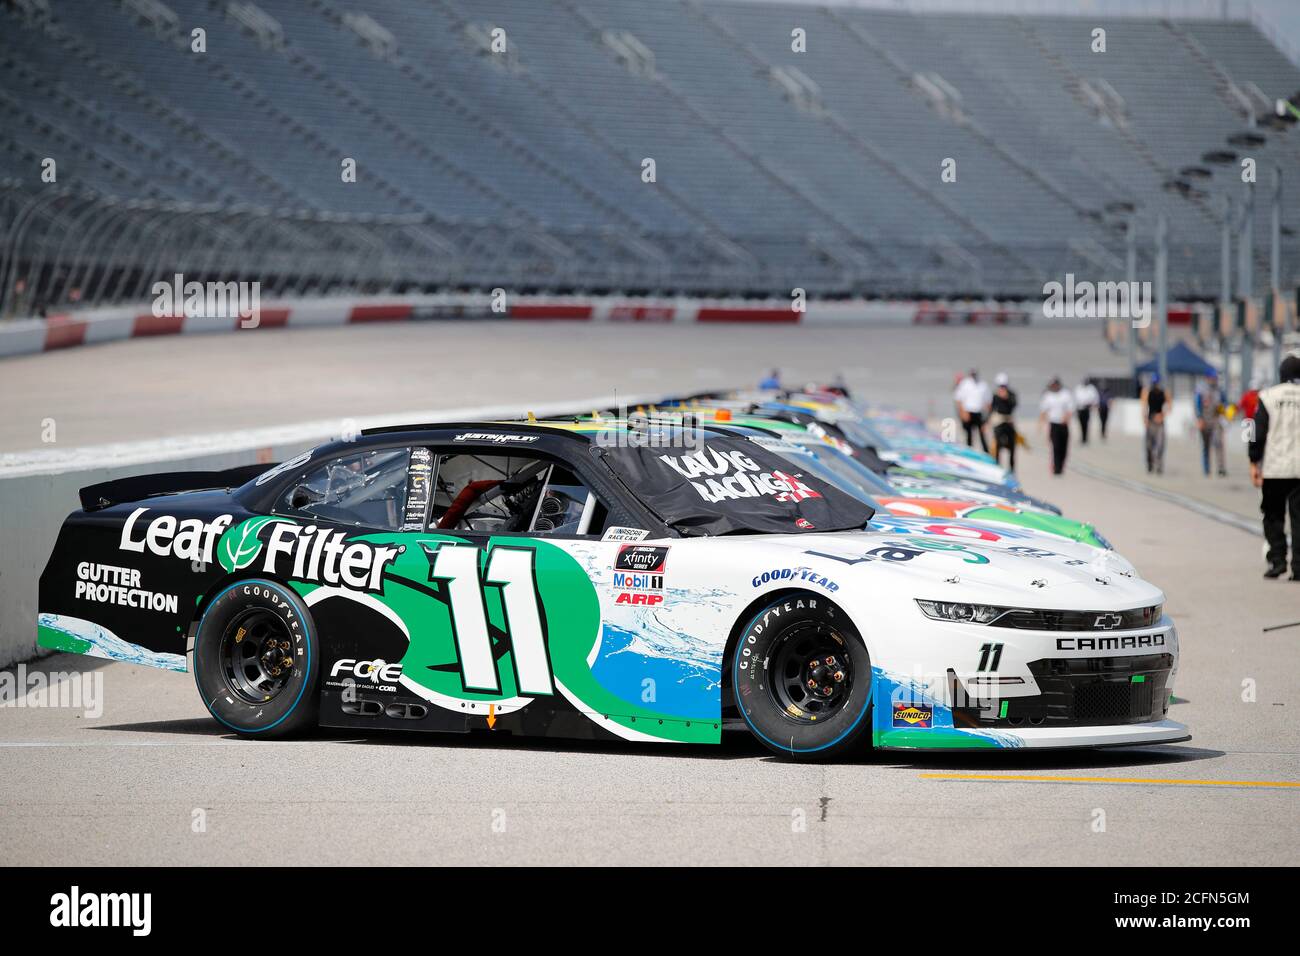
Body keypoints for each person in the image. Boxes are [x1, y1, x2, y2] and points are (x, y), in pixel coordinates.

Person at [1248, 354, 1300, 579]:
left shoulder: (1268, 396)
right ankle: (1299, 568)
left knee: (1273, 516)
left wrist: (1253, 461)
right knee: (1299, 518)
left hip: (1275, 467)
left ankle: (1278, 562)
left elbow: (1255, 433)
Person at [1195, 371, 1227, 477]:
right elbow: (1197, 405)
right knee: (1206, 446)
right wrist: (1199, 419)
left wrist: (1226, 412)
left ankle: (1221, 468)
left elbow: (1225, 404)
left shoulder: (1219, 390)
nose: (1213, 380)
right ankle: (1206, 469)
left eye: (1215, 378)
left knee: (1219, 444)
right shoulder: (1201, 390)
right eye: (1211, 378)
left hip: (1216, 420)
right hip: (1205, 420)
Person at [1039, 377, 1074, 475]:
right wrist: (1041, 424)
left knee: (1064, 447)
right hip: (1054, 424)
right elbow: (1044, 410)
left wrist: (1066, 417)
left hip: (1064, 424)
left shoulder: (1065, 394)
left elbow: (1070, 408)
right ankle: (1056, 468)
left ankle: (1061, 465)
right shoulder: (1048, 395)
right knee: (1055, 446)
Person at [953, 368, 992, 452]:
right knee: (969, 435)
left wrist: (987, 419)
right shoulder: (964, 384)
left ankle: (986, 453)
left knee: (982, 435)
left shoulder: (983, 385)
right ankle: (969, 452)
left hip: (979, 413)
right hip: (968, 412)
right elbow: (959, 400)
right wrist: (962, 413)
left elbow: (988, 402)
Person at [990, 372, 1018, 472]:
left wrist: (1006, 398)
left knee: (1012, 446)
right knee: (997, 444)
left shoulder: (1012, 394)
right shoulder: (995, 395)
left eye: (1004, 386)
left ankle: (1012, 468)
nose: (1002, 388)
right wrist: (986, 422)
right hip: (999, 421)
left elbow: (1014, 405)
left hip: (1009, 420)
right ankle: (997, 466)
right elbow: (992, 408)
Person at [1140, 373, 1168, 475]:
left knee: (1160, 444)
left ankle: (1159, 465)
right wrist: (1145, 419)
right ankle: (1150, 463)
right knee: (1149, 445)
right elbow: (1143, 406)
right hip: (1150, 420)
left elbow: (1169, 406)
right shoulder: (1147, 391)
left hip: (1160, 421)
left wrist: (1162, 416)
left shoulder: (1164, 392)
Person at [1074, 377, 1099, 444]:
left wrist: (1093, 405)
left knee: (1086, 423)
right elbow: (1075, 398)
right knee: (1081, 423)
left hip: (1087, 408)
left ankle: (1085, 438)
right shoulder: (1078, 388)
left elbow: (1095, 398)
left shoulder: (1091, 388)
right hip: (1080, 408)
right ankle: (1082, 437)